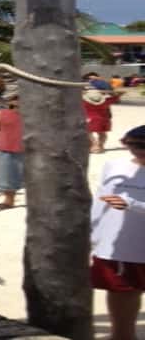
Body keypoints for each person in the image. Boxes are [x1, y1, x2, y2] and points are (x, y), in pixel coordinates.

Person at [90, 126, 145, 340]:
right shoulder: (113, 165)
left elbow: (125, 203)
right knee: (122, 293)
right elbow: (100, 202)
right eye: (134, 145)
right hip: (117, 247)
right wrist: (92, 237)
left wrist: (131, 204)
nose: (140, 151)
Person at [0, 94, 23, 211]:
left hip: (30, 149)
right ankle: (9, 201)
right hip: (6, 147)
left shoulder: (35, 115)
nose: (17, 102)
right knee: (6, 176)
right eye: (14, 99)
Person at [83, 88, 121, 154]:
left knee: (88, 133)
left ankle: (94, 145)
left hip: (91, 119)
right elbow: (120, 93)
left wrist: (83, 93)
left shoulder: (84, 102)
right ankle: (100, 146)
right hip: (104, 120)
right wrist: (109, 92)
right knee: (102, 134)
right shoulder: (106, 101)